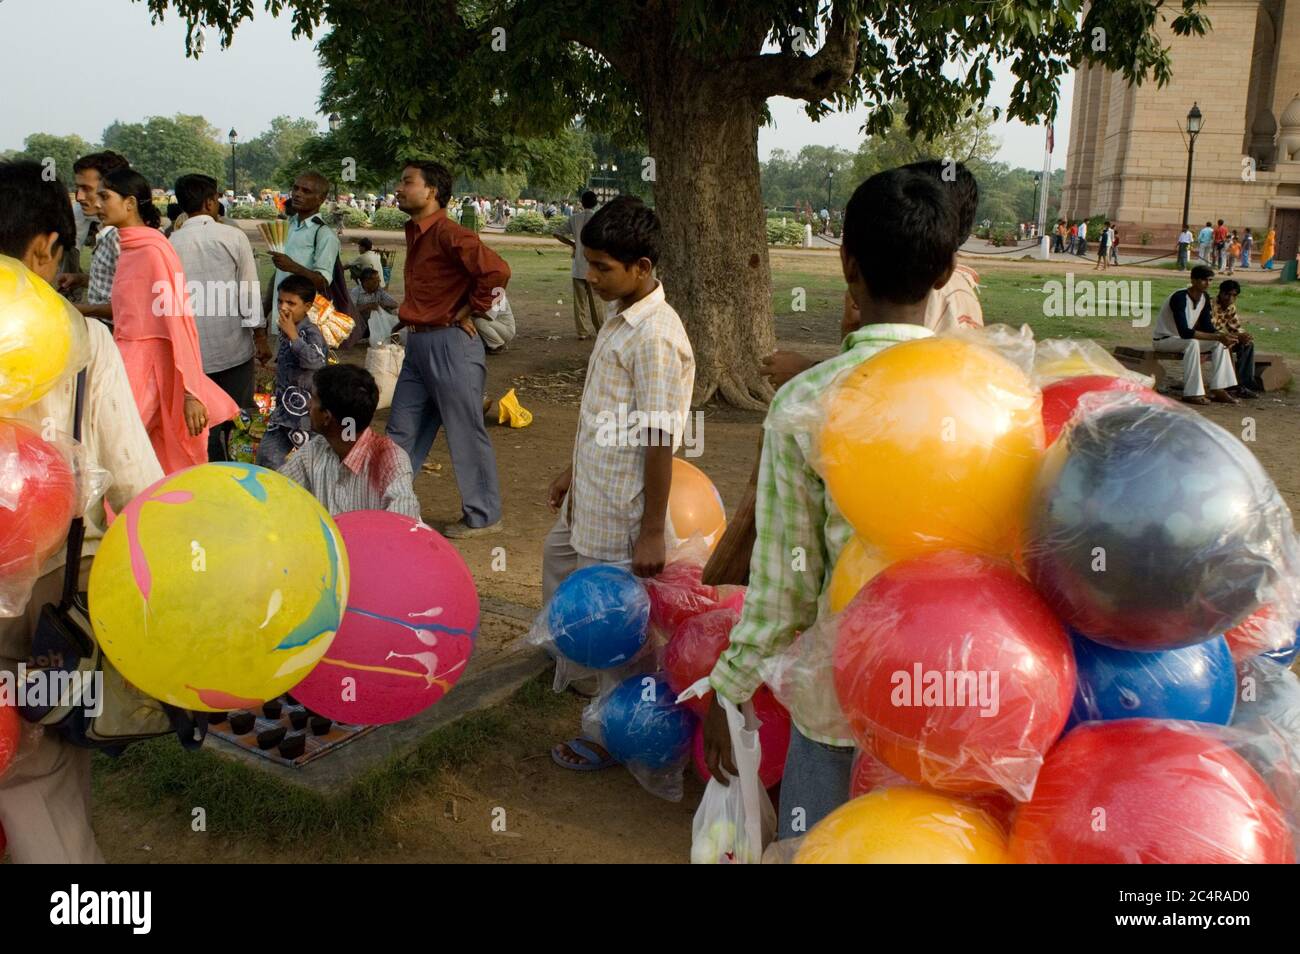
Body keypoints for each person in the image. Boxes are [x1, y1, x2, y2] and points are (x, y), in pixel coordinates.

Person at [702, 165, 965, 836]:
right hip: (961, 699)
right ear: (945, 272)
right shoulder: (987, 396)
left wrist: (729, 690)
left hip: (842, 704)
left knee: (821, 845)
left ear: (846, 262)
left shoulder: (807, 405)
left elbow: (786, 586)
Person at [0, 160, 164, 864]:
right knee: (40, 782)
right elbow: (135, 483)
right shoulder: (83, 344)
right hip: (44, 604)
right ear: (44, 247)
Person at [547, 196, 695, 771]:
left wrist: (652, 532)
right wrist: (573, 471)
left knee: (620, 632)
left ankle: (615, 734)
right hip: (593, 495)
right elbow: (608, 415)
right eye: (589, 262)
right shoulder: (619, 316)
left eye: (603, 267)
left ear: (643, 268)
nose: (591, 275)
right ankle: (587, 684)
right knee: (583, 600)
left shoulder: (654, 335)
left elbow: (660, 437)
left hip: (623, 511)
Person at [387, 159, 509, 538]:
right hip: (420, 342)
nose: (399, 188)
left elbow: (497, 272)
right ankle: (387, 508)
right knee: (400, 431)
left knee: (464, 431)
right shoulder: (417, 231)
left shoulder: (449, 232)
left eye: (408, 182)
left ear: (432, 192)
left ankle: (484, 516)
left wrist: (472, 308)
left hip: (451, 344)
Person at [98, 168, 238, 472]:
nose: (97, 204)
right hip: (127, 362)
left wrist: (190, 391)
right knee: (127, 457)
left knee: (121, 456)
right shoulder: (131, 246)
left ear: (130, 202)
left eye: (104, 196)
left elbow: (179, 320)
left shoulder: (153, 250)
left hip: (151, 368)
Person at [169, 173, 264, 462]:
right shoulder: (232, 236)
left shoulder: (170, 241)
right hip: (235, 349)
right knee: (240, 421)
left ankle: (212, 480)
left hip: (194, 358)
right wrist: (261, 337)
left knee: (205, 429)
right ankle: (242, 478)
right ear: (211, 201)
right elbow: (248, 290)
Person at [280, 364, 421, 517]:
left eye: (313, 399)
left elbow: (403, 524)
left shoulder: (390, 461)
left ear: (327, 416)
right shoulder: (315, 451)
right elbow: (276, 491)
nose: (308, 405)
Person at [257, 273, 328, 468]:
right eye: (280, 301)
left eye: (291, 303)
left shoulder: (309, 332)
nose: (283, 307)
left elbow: (316, 362)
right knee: (267, 458)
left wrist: (294, 336)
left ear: (307, 307)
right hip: (284, 413)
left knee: (310, 464)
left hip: (304, 416)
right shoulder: (286, 330)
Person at [55, 151, 131, 322]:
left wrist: (80, 309)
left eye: (87, 189)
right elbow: (113, 285)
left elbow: (131, 306)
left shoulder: (125, 238)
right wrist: (80, 279)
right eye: (77, 188)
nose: (79, 196)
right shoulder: (106, 232)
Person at [1152, 264, 1238, 406]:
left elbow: (1208, 327)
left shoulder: (1204, 298)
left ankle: (1219, 388)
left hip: (1182, 341)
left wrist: (1224, 336)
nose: (1207, 283)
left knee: (1219, 343)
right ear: (1193, 280)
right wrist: (1217, 336)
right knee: (1192, 343)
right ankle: (1192, 393)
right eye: (1203, 280)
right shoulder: (1179, 297)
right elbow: (1184, 332)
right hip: (1163, 340)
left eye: (1210, 280)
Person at [267, 172, 339, 336]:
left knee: (306, 360)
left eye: (306, 191)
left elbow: (322, 281)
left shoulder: (324, 234)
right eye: (296, 188)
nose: (298, 194)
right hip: (283, 315)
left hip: (306, 324)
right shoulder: (288, 226)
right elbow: (279, 273)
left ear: (321, 198)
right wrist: (265, 311)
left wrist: (293, 267)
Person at [555, 191, 602, 339]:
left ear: (582, 203)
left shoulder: (574, 219)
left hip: (578, 266)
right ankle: (600, 329)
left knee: (579, 302)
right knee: (596, 302)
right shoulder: (599, 220)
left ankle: (582, 332)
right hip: (594, 267)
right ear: (595, 203)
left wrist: (573, 244)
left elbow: (557, 232)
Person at [1210, 279, 1258, 398]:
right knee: (1229, 342)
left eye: (1234, 295)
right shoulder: (1211, 304)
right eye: (1227, 294)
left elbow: (1235, 327)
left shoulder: (1231, 307)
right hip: (1209, 338)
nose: (1230, 298)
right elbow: (1210, 330)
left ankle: (1242, 383)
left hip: (1221, 338)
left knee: (1247, 344)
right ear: (1220, 293)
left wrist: (1244, 335)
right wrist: (1236, 336)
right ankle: (1233, 385)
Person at [352, 266, 400, 340]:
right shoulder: (356, 292)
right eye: (375, 281)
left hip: (377, 324)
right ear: (366, 282)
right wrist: (368, 306)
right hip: (362, 326)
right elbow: (350, 311)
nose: (379, 282)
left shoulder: (378, 290)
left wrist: (382, 305)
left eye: (378, 280)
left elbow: (395, 304)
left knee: (391, 311)